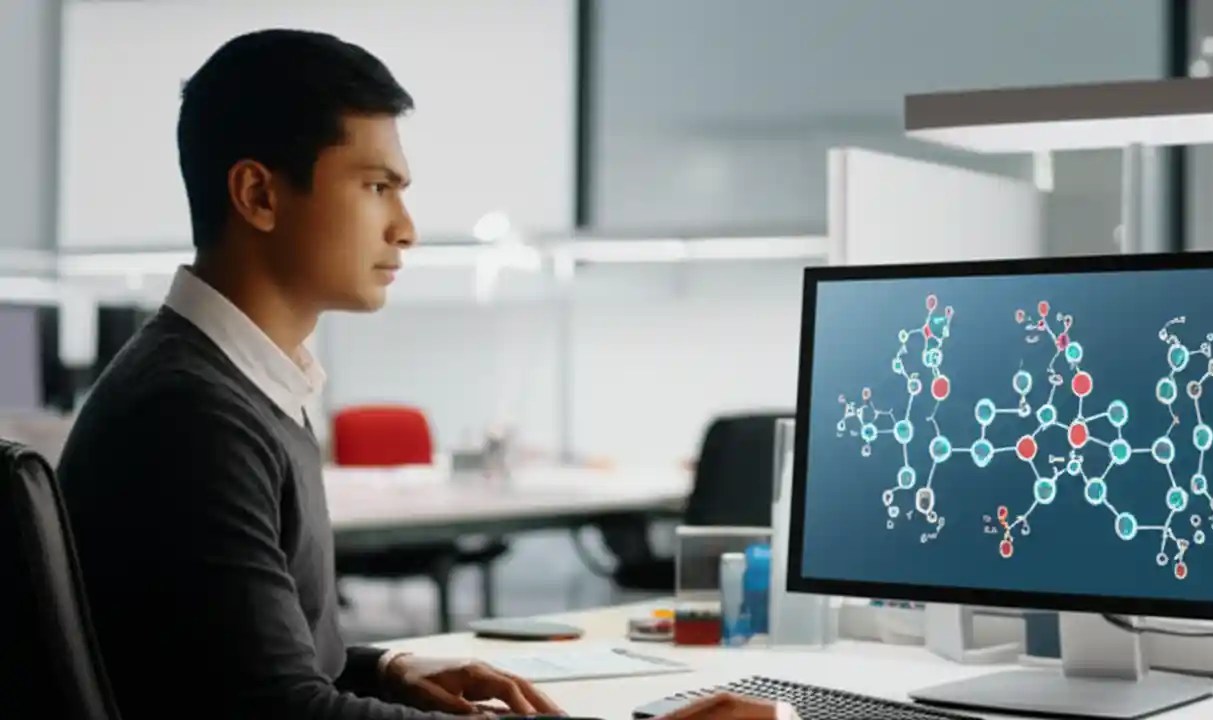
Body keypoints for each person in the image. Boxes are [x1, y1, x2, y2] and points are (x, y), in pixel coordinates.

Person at [56, 28, 786, 720]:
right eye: (377, 186)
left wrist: (393, 671)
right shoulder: (191, 417)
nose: (405, 227)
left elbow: (256, 665)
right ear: (258, 196)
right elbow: (276, 713)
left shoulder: (242, 386)